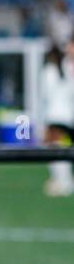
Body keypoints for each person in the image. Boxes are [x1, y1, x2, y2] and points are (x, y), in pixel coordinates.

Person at [40, 33, 74, 197]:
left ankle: (65, 183)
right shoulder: (64, 70)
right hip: (65, 117)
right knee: (60, 150)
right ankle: (63, 181)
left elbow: (45, 95)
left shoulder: (51, 71)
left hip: (57, 117)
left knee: (56, 151)